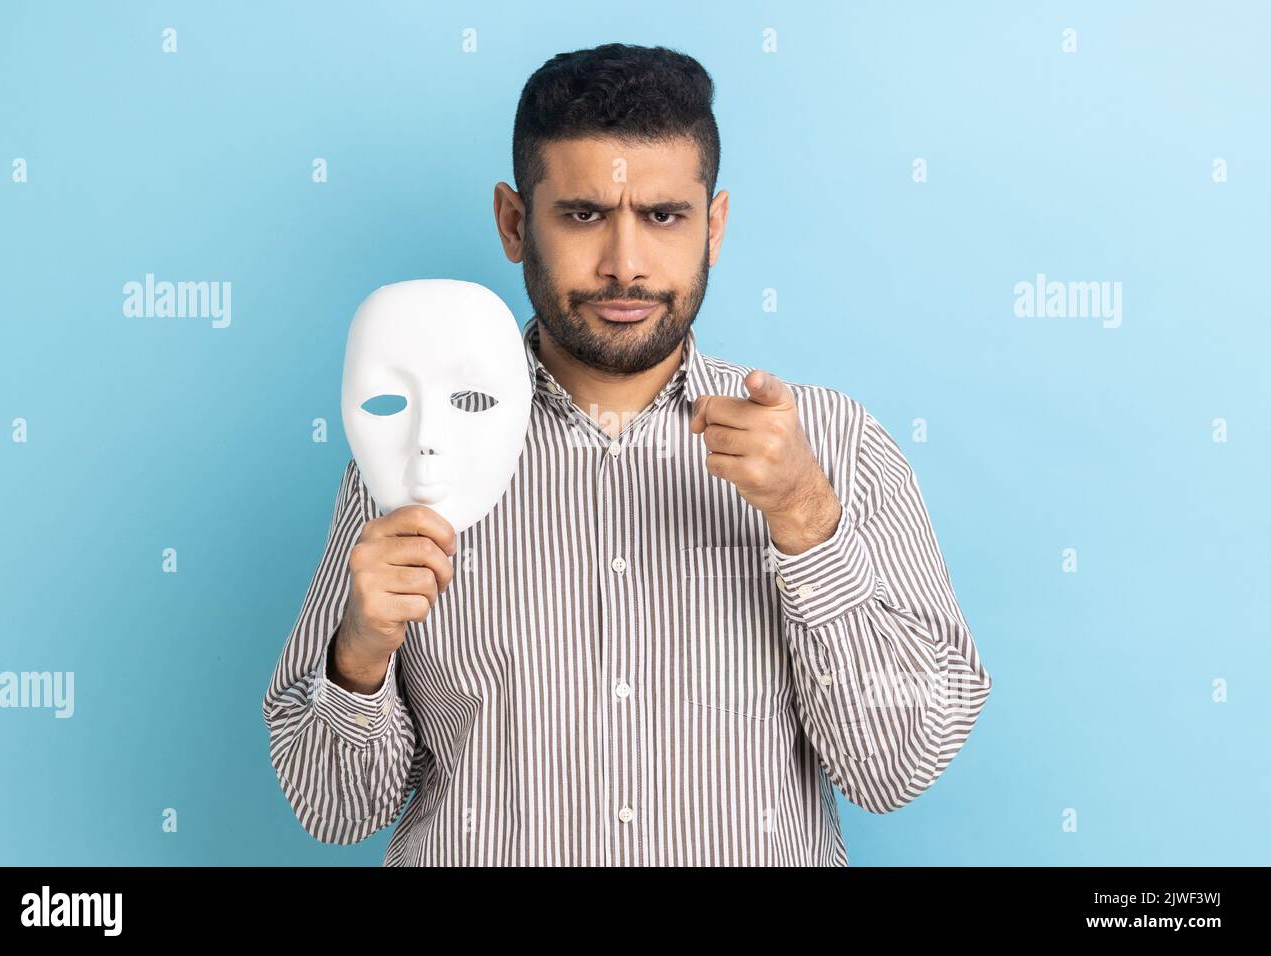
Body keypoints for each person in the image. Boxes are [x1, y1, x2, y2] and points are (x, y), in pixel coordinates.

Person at [263, 42, 992, 866]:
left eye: (663, 215)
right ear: (513, 222)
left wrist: (806, 523)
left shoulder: (835, 448)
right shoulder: (409, 455)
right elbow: (333, 810)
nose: (625, 265)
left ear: (713, 225)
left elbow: (896, 770)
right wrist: (358, 655)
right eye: (582, 215)